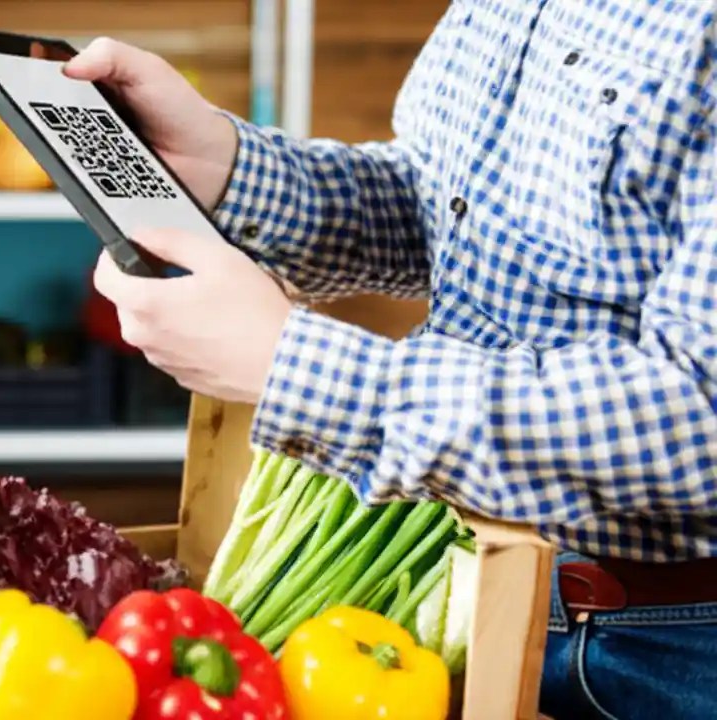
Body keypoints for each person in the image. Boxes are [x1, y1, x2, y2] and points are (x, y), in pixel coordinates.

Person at [64, 3, 717, 718]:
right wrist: (225, 163)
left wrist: (299, 368)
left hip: (676, 648)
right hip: (469, 594)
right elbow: (452, 213)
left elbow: (700, 420)